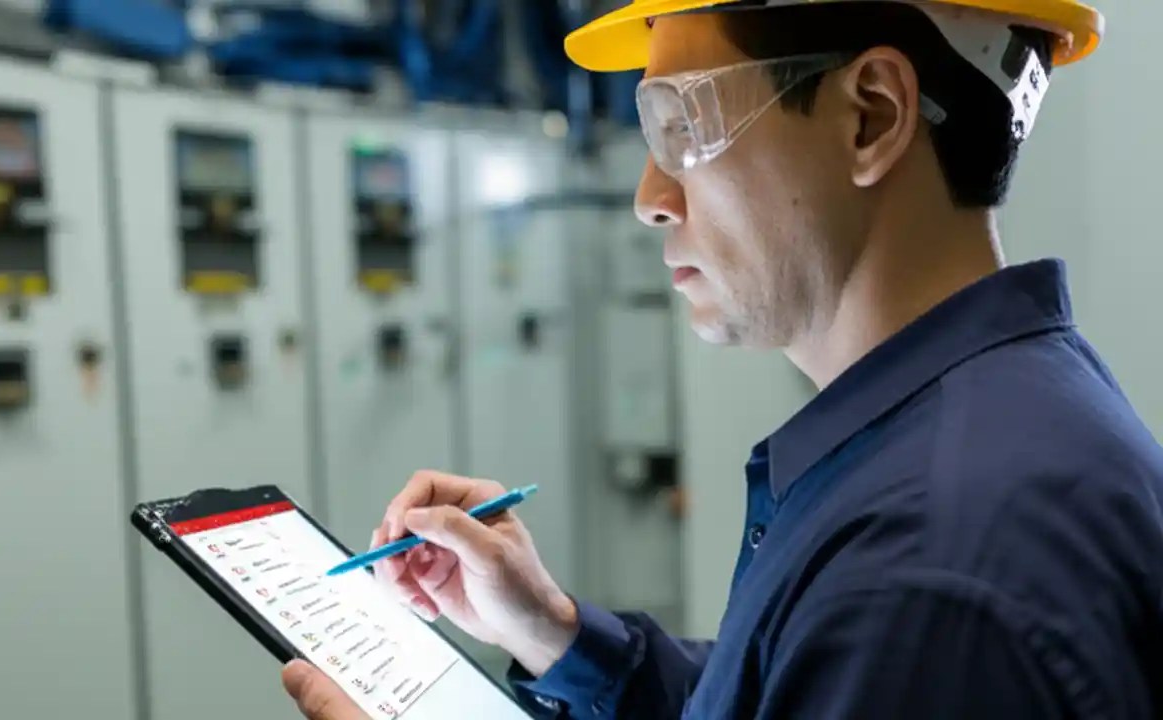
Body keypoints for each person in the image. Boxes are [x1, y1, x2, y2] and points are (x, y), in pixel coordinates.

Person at [283, 0, 1163, 717]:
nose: (650, 199)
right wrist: (551, 632)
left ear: (873, 116)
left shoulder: (929, 569)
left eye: (681, 123)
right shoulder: (991, 427)